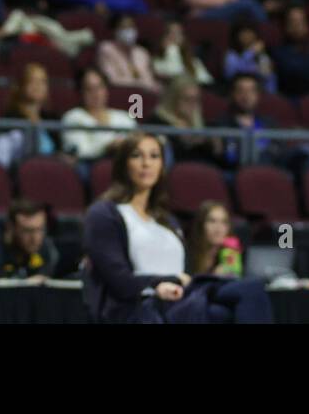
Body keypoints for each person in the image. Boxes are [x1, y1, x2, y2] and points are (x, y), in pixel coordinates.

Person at [82, 131, 272, 323]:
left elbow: (185, 270)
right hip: (143, 303)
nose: (146, 163)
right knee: (221, 315)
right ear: (123, 164)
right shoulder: (104, 214)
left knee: (251, 288)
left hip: (183, 296)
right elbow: (119, 281)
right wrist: (165, 282)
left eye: (154, 156)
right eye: (137, 155)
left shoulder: (166, 219)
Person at [0, 198, 60, 281]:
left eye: (40, 229)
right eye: (27, 231)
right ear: (10, 228)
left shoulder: (46, 250)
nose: (35, 238)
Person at [60, 67, 136, 162]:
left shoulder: (124, 117)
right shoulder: (72, 117)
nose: (96, 93)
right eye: (89, 89)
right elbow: (78, 153)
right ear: (80, 92)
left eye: (100, 87)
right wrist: (107, 148)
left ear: (106, 90)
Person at [154, 77, 221, 165]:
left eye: (196, 99)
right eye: (187, 99)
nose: (192, 104)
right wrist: (186, 142)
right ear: (173, 99)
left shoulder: (202, 124)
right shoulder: (157, 121)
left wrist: (215, 146)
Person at [96, 11, 159, 90]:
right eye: (124, 27)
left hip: (143, 96)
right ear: (115, 30)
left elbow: (150, 80)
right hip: (121, 95)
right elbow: (111, 80)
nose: (129, 31)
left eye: (131, 27)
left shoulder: (142, 52)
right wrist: (140, 84)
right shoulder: (106, 49)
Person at [186, 200, 244, 277]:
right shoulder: (188, 253)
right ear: (200, 225)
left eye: (224, 222)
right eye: (212, 221)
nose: (218, 228)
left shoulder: (230, 253)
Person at [151, 19, 213, 85]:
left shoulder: (194, 61)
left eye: (178, 33)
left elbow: (207, 83)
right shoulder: (156, 61)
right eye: (170, 33)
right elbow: (175, 73)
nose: (175, 37)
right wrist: (172, 50)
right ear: (163, 37)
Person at [222, 22, 277, 92]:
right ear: (237, 36)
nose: (247, 36)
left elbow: (268, 78)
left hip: (260, 92)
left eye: (249, 32)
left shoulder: (262, 55)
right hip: (238, 91)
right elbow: (230, 74)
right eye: (243, 33)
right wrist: (250, 53)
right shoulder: (232, 54)